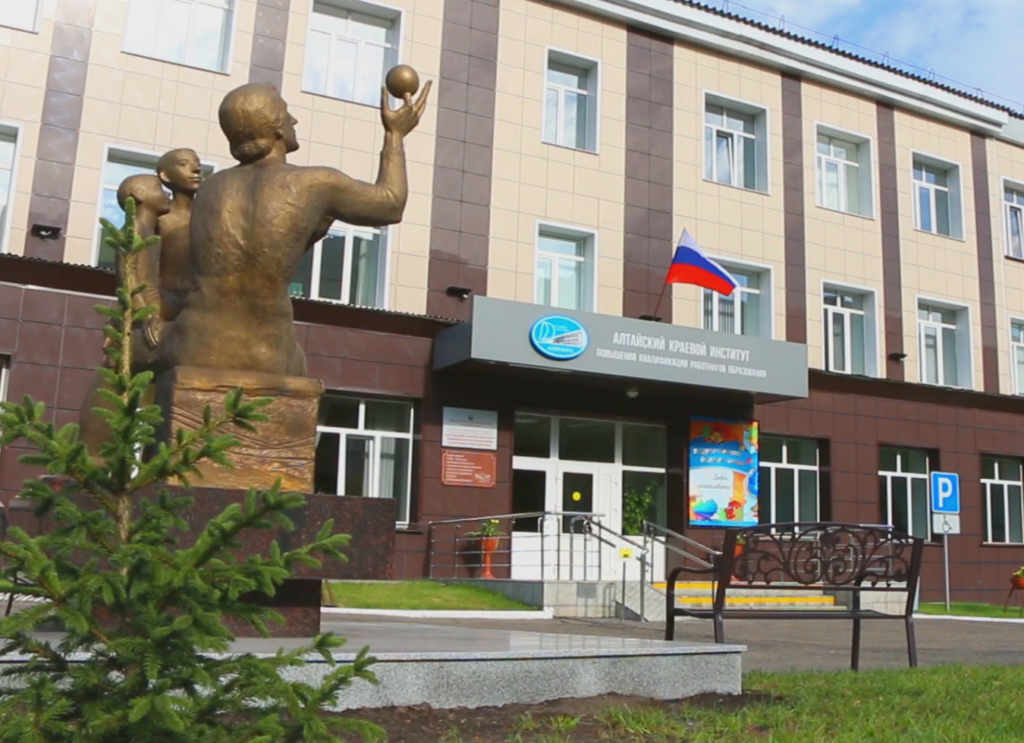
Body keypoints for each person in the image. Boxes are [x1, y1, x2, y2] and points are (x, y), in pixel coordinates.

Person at [157, 80, 431, 377]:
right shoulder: (316, 183)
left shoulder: (210, 188)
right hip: (266, 351)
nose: (294, 121)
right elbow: (390, 204)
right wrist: (395, 135)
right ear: (275, 126)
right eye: (287, 114)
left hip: (194, 342)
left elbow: (245, 261)